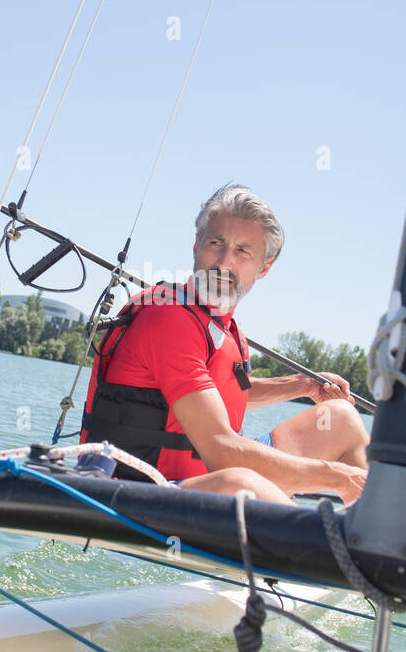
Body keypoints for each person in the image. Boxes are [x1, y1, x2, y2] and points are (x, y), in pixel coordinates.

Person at [80, 185, 368, 504]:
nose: (224, 262)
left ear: (264, 267)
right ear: (196, 246)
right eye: (216, 243)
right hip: (147, 489)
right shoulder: (169, 319)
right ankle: (327, 546)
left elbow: (220, 394)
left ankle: (373, 539)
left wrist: (300, 385)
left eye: (243, 251)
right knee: (241, 482)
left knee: (341, 418)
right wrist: (341, 478)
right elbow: (221, 451)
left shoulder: (225, 327)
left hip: (206, 474)